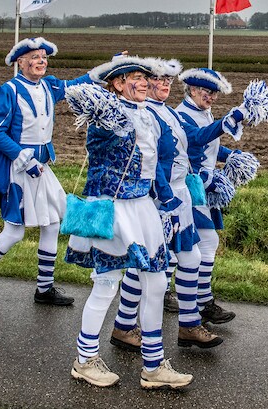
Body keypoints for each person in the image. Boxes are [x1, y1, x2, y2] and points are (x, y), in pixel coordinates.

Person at [64, 55, 192, 390]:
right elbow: (82, 100)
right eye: (138, 77)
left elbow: (155, 164)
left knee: (157, 281)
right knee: (106, 284)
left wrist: (167, 198)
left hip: (143, 206)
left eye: (148, 78)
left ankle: (153, 365)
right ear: (119, 83)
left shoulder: (147, 114)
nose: (147, 83)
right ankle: (85, 359)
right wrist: (106, 94)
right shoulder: (105, 114)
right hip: (113, 206)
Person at [0, 37, 92, 306]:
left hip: (42, 168)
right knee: (14, 232)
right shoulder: (7, 91)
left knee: (53, 223)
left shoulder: (48, 86)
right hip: (19, 171)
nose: (40, 61)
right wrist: (24, 158)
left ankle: (44, 289)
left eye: (44, 57)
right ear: (20, 62)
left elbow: (76, 86)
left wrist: (109, 68)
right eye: (34, 57)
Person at [110, 58, 223, 352]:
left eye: (169, 81)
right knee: (147, 265)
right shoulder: (146, 113)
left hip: (179, 196)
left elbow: (194, 140)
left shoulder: (168, 113)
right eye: (158, 79)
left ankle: (189, 325)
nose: (163, 85)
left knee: (191, 257)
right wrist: (165, 196)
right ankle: (123, 327)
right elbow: (154, 161)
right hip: (160, 199)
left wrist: (230, 121)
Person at [174, 68, 244, 325]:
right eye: (207, 92)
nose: (212, 97)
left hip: (202, 188)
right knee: (202, 242)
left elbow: (209, 146)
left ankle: (197, 301)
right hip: (188, 189)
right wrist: (226, 122)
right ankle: (200, 303)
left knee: (191, 245)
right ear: (192, 90)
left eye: (214, 93)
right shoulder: (183, 115)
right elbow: (197, 139)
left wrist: (231, 156)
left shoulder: (203, 113)